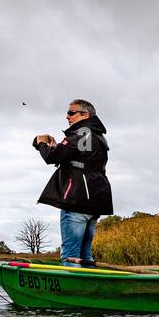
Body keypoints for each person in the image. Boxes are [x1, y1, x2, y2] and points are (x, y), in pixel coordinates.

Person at [33, 99, 113, 267]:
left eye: (71, 113)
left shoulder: (82, 132)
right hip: (95, 201)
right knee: (85, 256)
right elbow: (77, 157)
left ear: (85, 115)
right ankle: (89, 290)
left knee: (70, 256)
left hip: (77, 200)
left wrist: (40, 142)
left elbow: (52, 157)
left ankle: (73, 290)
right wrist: (58, 148)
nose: (67, 116)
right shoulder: (99, 136)